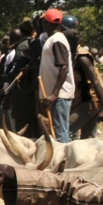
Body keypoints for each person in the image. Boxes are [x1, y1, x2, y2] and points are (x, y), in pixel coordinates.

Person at [37, 8, 74, 143]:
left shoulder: (57, 40)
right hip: (55, 95)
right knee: (57, 131)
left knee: (60, 132)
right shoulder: (53, 39)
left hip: (59, 95)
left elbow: (63, 67)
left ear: (45, 23)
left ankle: (63, 162)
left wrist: (54, 93)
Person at [67, 24, 103, 139]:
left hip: (89, 101)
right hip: (82, 101)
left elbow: (95, 81)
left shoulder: (82, 57)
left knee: (67, 130)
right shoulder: (72, 55)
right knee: (89, 137)